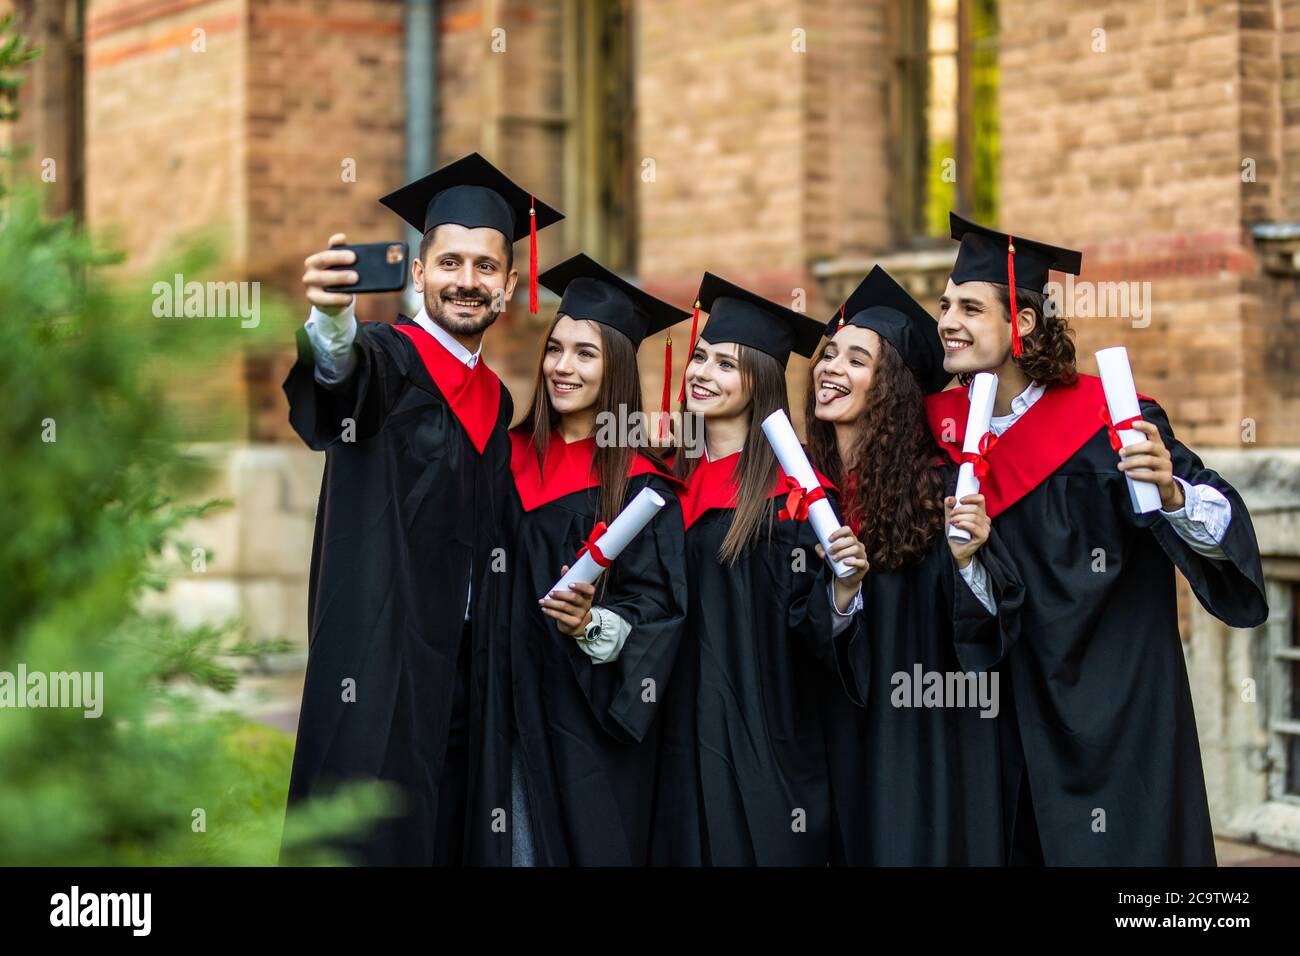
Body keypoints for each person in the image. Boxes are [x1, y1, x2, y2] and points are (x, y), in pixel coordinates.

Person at [925, 212, 1269, 865]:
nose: (946, 320)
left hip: (1118, 709)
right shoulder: (943, 438)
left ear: (1021, 323)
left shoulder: (1106, 418)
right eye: (944, 305)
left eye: (970, 307)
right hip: (1004, 720)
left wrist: (1171, 494)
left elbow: (1226, 524)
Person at [282, 153, 562, 865]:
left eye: (486, 268)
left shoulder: (496, 399)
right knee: (372, 833)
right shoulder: (385, 357)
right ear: (417, 272)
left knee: (450, 829)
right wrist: (330, 319)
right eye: (451, 262)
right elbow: (338, 377)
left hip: (466, 666)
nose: (467, 281)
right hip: (382, 662)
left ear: (506, 288)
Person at [474, 254, 690, 865]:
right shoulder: (503, 456)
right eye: (556, 349)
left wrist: (592, 622)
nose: (562, 367)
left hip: (581, 725)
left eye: (586, 354)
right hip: (497, 702)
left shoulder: (641, 487)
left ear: (616, 369)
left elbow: (660, 609)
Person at [805, 265, 1023, 865]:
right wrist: (841, 596)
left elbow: (993, 627)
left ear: (891, 388)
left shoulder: (941, 492)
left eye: (855, 360)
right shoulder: (806, 495)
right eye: (829, 355)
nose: (830, 368)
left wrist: (966, 562)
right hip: (839, 736)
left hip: (926, 738)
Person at [650, 273, 868, 866]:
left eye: (725, 364)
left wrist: (843, 592)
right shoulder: (659, 484)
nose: (702, 372)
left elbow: (814, 637)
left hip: (761, 741)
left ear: (761, 381)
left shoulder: (797, 497)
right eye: (700, 356)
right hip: (665, 741)